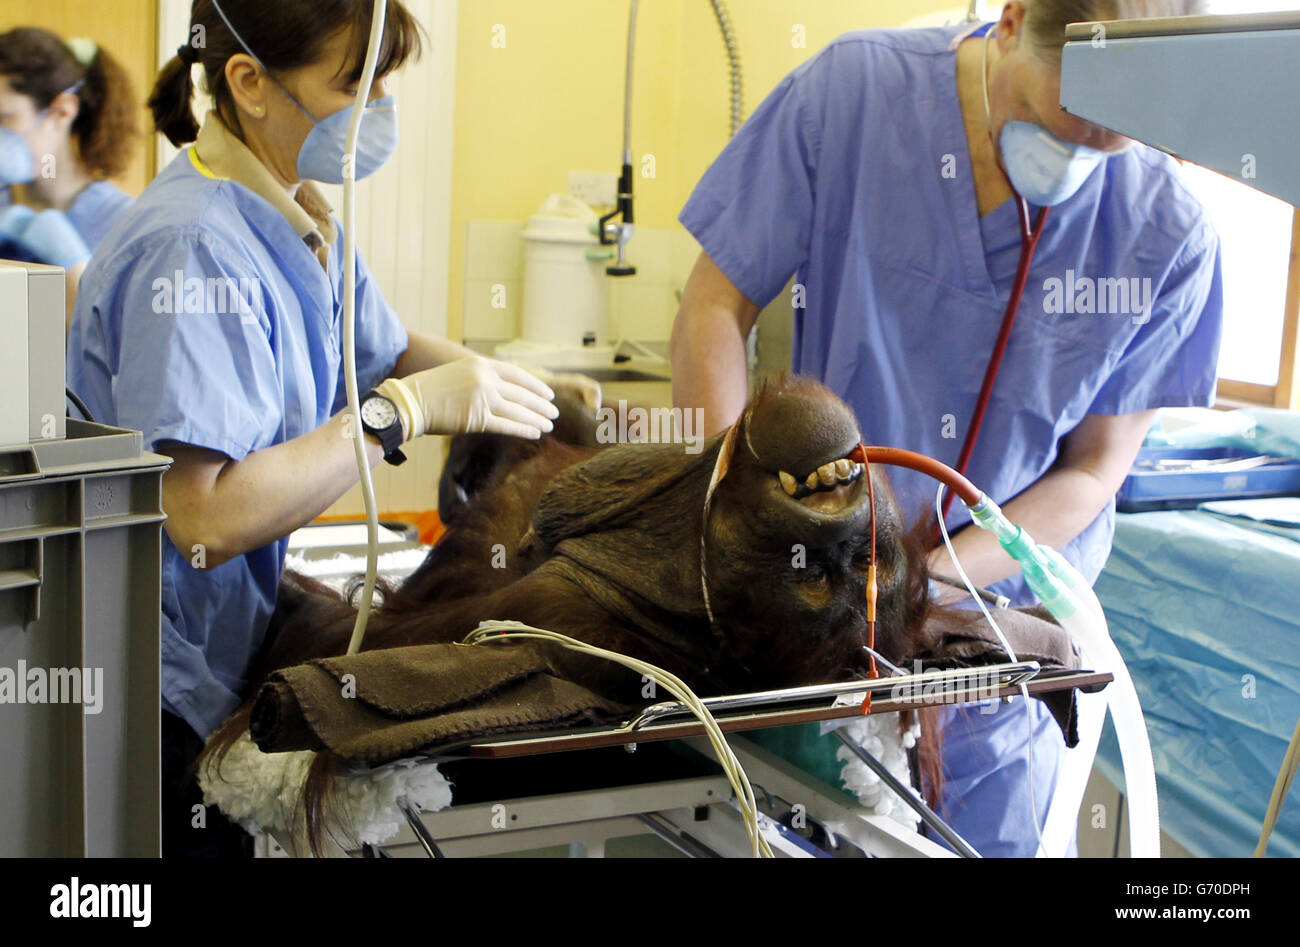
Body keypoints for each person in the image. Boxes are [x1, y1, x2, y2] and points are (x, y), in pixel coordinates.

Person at [670, 0, 1222, 856]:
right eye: (1056, 122)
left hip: (988, 658)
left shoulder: (1167, 234)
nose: (1076, 160)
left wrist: (925, 585)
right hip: (809, 621)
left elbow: (1092, 470)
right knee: (780, 820)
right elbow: (715, 302)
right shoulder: (854, 96)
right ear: (1012, 20)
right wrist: (744, 517)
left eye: (1114, 141)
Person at [66, 0, 576, 857]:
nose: (379, 104)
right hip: (141, 683)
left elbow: (383, 343)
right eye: (354, 82)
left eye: (384, 80)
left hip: (209, 649)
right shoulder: (193, 248)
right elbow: (203, 519)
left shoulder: (290, 214)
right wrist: (397, 415)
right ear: (249, 83)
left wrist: (515, 388)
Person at [0, 27, 138, 327]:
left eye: (3, 118)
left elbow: (126, 354)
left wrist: (75, 273)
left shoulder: (127, 226)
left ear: (61, 112)